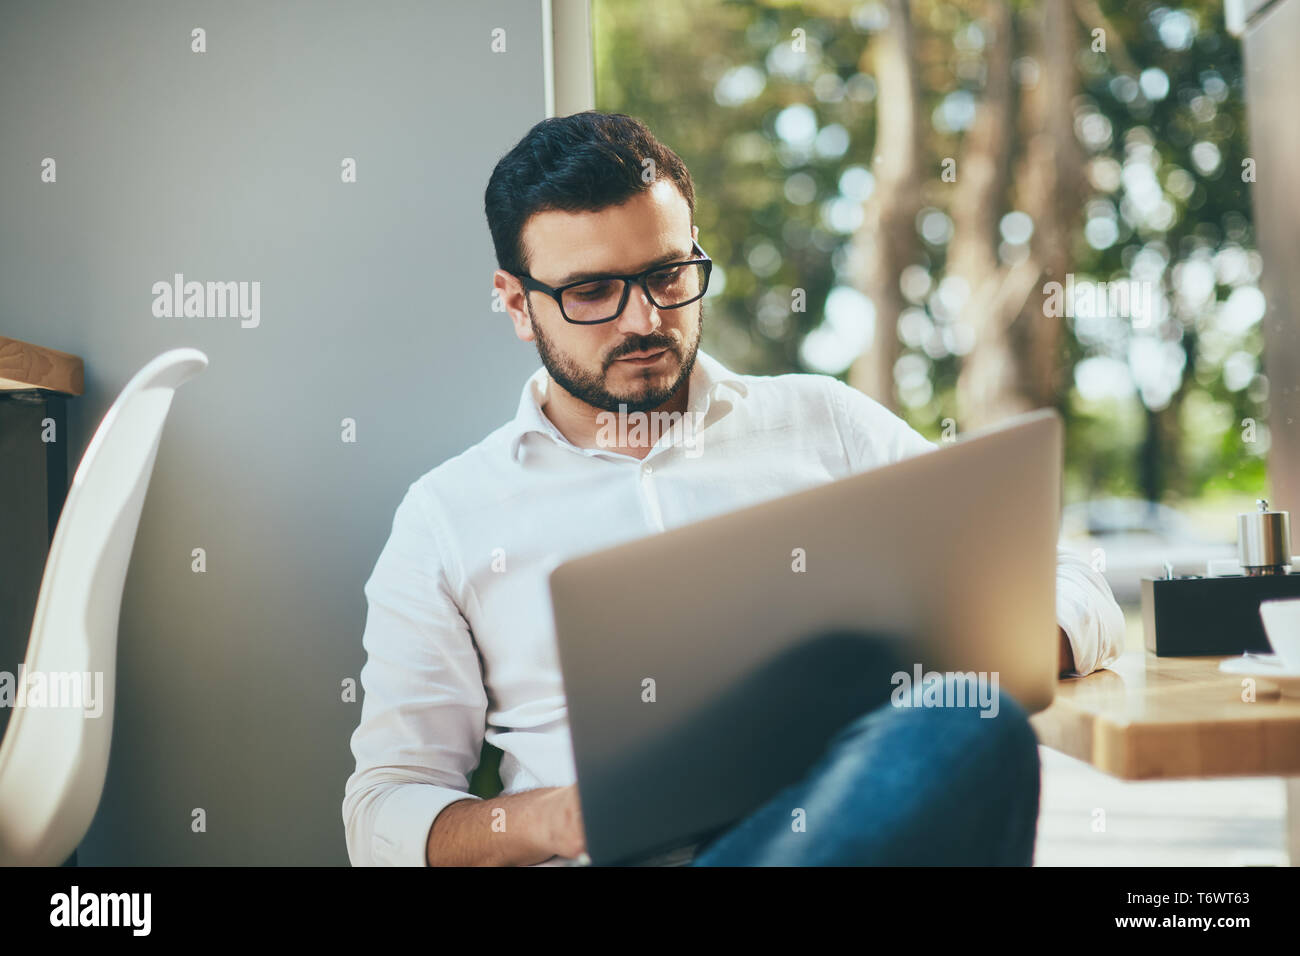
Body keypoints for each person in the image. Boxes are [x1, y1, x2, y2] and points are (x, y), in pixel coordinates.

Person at [342, 111, 1126, 867]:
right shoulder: (446, 517)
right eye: (590, 294)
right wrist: (558, 816)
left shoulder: (827, 424)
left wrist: (988, 651)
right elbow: (384, 809)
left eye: (666, 274)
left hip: (844, 819)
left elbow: (1072, 581)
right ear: (517, 304)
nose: (644, 319)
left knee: (970, 722)